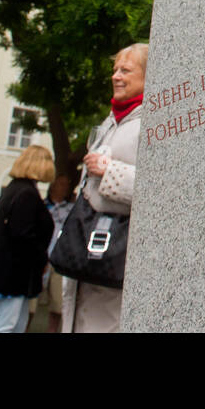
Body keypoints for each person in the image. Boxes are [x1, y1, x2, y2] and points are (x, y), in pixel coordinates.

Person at [61, 43, 146, 333]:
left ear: (149, 77)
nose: (116, 76)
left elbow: (164, 192)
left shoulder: (151, 124)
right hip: (89, 249)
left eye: (125, 70)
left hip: (118, 255)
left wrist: (110, 172)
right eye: (115, 70)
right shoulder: (112, 120)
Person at [0, 145, 56, 333]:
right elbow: (23, 235)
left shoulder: (14, 190)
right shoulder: (27, 194)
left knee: (13, 324)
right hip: (13, 274)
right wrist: (41, 258)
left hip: (8, 272)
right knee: (5, 325)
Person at [44, 174, 75, 333]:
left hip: (58, 260)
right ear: (53, 185)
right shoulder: (42, 206)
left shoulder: (70, 208)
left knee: (57, 304)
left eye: (66, 184)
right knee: (29, 305)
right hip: (41, 259)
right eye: (60, 184)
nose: (64, 187)